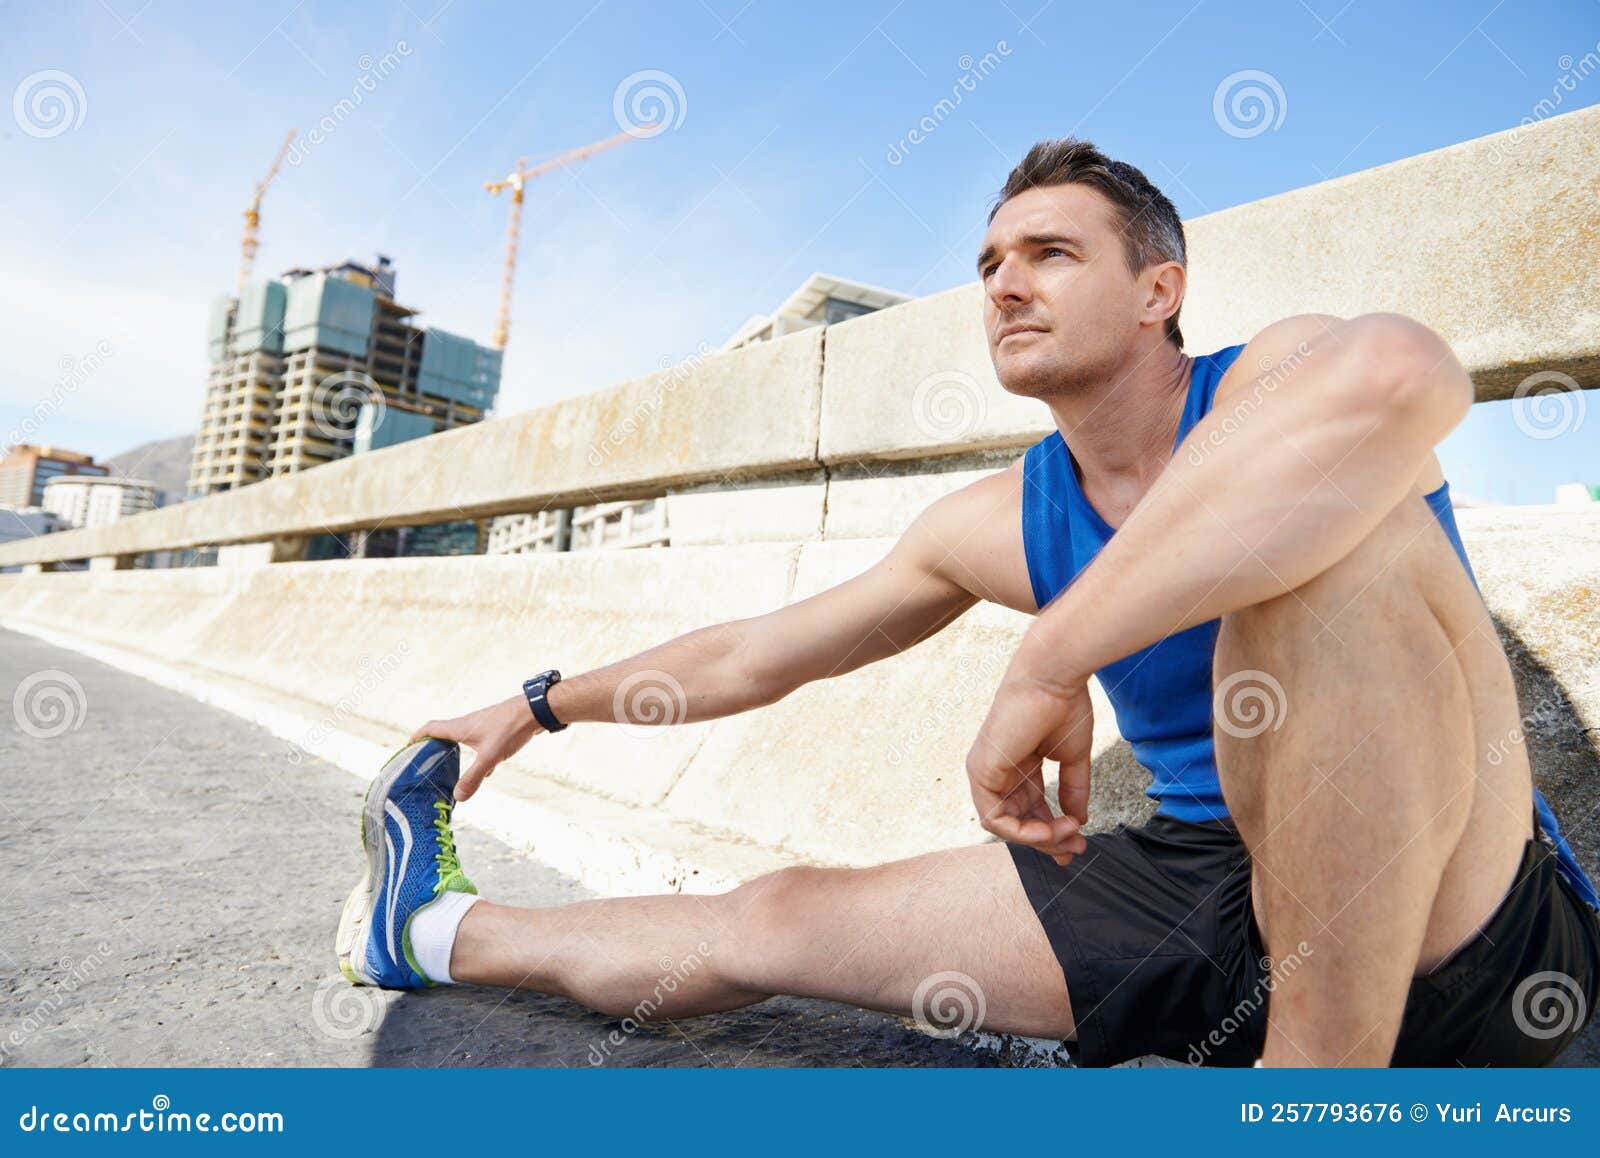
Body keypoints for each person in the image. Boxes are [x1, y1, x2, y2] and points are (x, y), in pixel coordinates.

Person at [335, 137, 1600, 1067]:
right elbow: (757, 655)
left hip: (1451, 891)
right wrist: (540, 704)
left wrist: (1053, 657)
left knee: (1332, 550)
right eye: (989, 262)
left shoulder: (1272, 376)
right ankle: (433, 929)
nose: (1003, 284)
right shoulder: (998, 520)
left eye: (1051, 253)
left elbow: (1394, 377)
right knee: (772, 920)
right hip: (1202, 881)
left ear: (1159, 289)